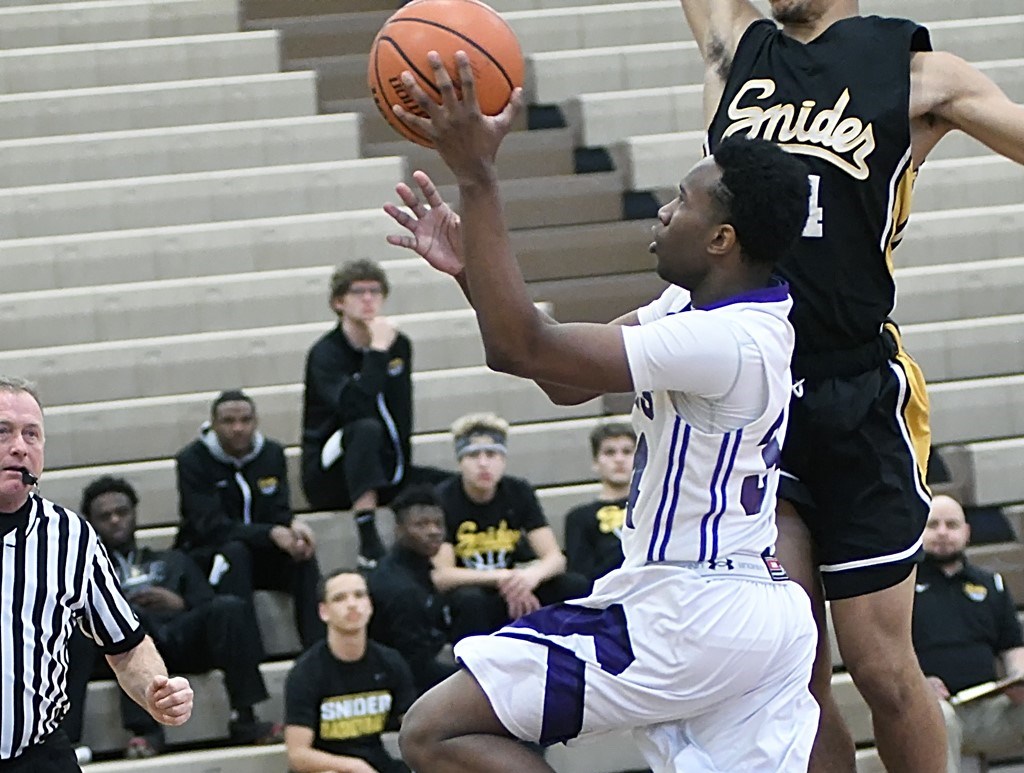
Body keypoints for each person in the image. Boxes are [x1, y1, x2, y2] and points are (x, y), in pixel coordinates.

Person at [383, 55, 818, 772]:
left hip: (690, 607)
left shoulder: (721, 341)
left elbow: (523, 346)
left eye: (684, 201)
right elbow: (563, 381)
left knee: (436, 729)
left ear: (722, 239)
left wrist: (478, 175)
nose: (665, 211)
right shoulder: (707, 309)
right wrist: (475, 274)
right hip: (751, 609)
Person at [677, 1, 1024, 769]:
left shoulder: (914, 72)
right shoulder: (736, 49)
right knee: (788, 672)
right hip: (752, 396)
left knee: (881, 669)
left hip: (856, 389)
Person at [0, 376, 192, 771]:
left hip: (35, 756)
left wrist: (155, 689)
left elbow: (127, 647)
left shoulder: (71, 537)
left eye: (32, 434)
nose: (19, 446)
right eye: (3, 431)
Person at [63, 476, 282, 759]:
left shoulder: (173, 559)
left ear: (135, 513)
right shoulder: (86, 572)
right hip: (123, 651)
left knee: (229, 608)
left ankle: (246, 717)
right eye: (105, 516)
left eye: (122, 512)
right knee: (127, 621)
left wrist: (179, 603)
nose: (116, 520)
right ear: (90, 522)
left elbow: (207, 604)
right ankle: (146, 733)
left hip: (180, 637)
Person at [300, 259, 450, 567]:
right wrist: (377, 352)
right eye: (358, 292)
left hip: (386, 467)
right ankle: (367, 539)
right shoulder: (325, 354)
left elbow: (400, 414)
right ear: (338, 302)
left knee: (451, 488)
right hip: (332, 476)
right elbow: (355, 408)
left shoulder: (400, 346)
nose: (368, 299)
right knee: (365, 428)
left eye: (375, 291)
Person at [174, 389, 323, 648]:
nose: (238, 428)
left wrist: (292, 526)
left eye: (245, 420)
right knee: (236, 552)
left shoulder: (272, 453)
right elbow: (209, 527)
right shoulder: (192, 460)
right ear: (213, 424)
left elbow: (277, 510)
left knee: (302, 557)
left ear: (256, 421)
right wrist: (270, 533)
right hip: (212, 557)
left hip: (261, 553)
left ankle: (320, 649)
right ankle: (248, 654)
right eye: (229, 422)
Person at [432, 412, 590, 641]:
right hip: (474, 589)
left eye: (492, 454)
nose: (484, 463)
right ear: (460, 462)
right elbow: (443, 575)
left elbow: (555, 558)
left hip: (516, 585)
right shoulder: (444, 498)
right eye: (473, 455)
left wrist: (530, 577)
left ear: (504, 460)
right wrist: (505, 577)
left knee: (574, 585)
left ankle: (574, 655)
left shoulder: (518, 491)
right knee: (469, 600)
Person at [912, 494, 1024, 772]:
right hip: (928, 709)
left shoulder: (990, 584)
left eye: (951, 525)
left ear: (966, 532)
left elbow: (1012, 647)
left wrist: (1018, 680)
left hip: (988, 712)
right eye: (933, 524)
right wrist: (917, 683)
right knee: (939, 716)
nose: (942, 533)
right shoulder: (902, 585)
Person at [284, 568, 416, 773]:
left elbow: (414, 730)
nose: (352, 604)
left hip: (376, 762)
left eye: (359, 595)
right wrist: (353, 767)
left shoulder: (391, 662)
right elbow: (298, 755)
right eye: (339, 598)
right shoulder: (306, 672)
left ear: (370, 605)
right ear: (323, 612)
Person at [367, 485, 459, 695]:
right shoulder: (401, 589)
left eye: (438, 524)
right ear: (399, 529)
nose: (433, 531)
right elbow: (416, 667)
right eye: (421, 525)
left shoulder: (418, 570)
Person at [564, 423, 636, 586]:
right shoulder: (579, 518)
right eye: (610, 452)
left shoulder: (656, 508)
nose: (619, 459)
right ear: (595, 462)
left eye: (627, 452)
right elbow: (580, 577)